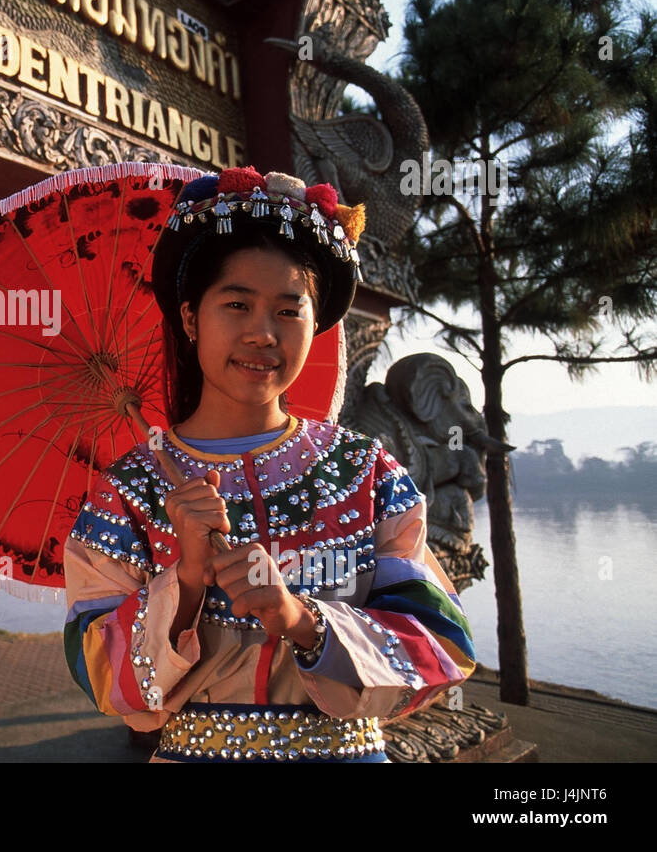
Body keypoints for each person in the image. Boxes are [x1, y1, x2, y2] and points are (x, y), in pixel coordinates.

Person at [62, 165, 476, 762]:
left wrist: (301, 621)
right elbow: (100, 676)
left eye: (288, 311)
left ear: (315, 324)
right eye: (236, 304)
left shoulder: (365, 472)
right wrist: (185, 578)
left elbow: (443, 649)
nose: (262, 334)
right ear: (188, 319)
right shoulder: (129, 490)